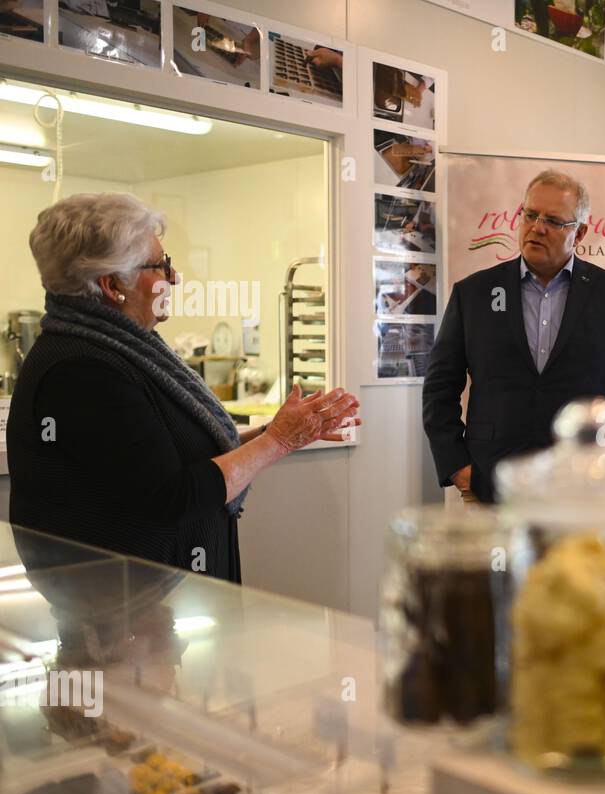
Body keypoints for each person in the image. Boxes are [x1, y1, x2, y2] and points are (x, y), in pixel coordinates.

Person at [8, 193, 361, 582]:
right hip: (120, 615)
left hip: (152, 609)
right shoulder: (83, 369)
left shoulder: (119, 348)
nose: (174, 278)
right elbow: (169, 496)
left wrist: (270, 431)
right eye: (161, 266)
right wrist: (278, 440)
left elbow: (174, 454)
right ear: (113, 285)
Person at [423, 169, 605, 504]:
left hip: (583, 483)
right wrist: (457, 466)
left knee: (578, 560)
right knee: (495, 560)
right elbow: (439, 387)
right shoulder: (473, 294)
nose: (537, 227)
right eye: (530, 215)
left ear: (579, 235)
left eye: (553, 220)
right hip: (492, 478)